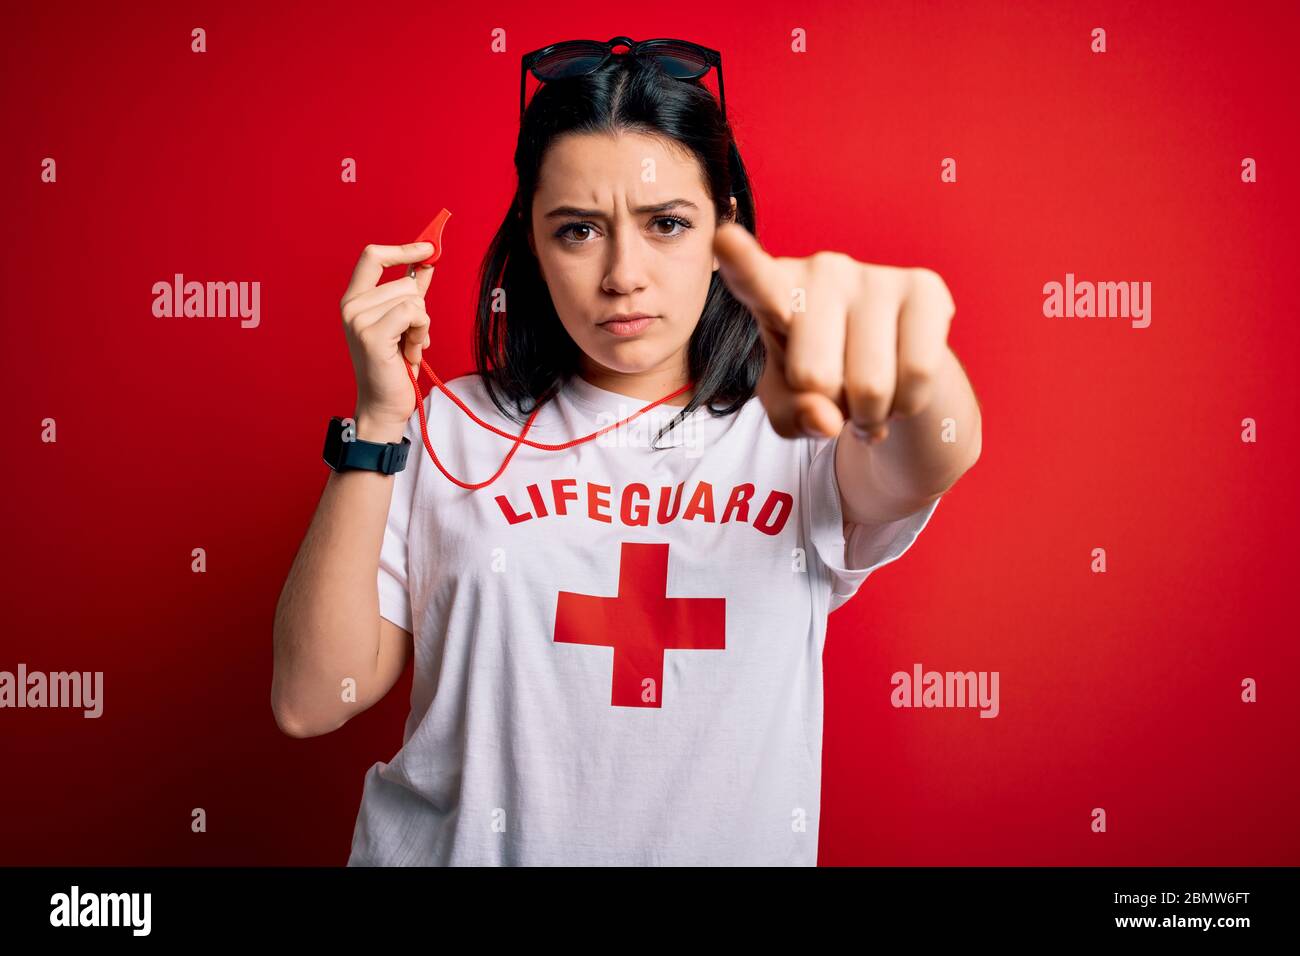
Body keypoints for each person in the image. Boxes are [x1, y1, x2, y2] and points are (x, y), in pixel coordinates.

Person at [272, 37, 981, 866]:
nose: (623, 274)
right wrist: (378, 420)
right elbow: (312, 700)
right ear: (533, 246)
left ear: (725, 229)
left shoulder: (798, 429)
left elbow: (933, 452)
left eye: (667, 224)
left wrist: (912, 361)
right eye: (578, 230)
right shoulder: (445, 427)